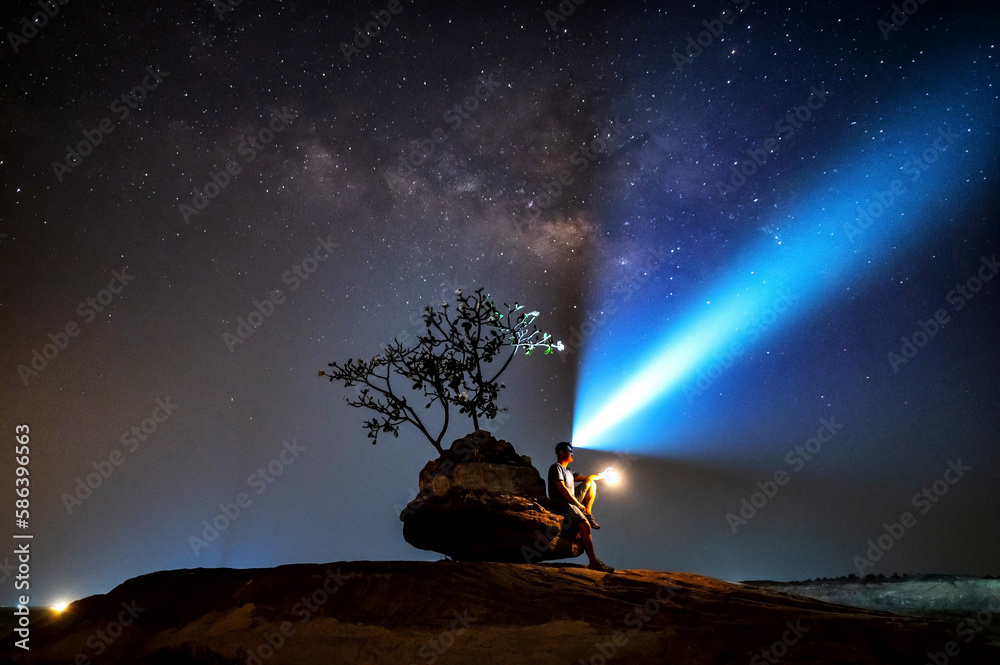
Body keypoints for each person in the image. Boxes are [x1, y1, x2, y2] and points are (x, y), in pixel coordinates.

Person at [547, 441, 614, 573]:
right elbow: (562, 489)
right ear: (561, 452)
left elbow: (588, 477)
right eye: (569, 451)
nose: (572, 453)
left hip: (571, 501)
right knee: (585, 526)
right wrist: (578, 504)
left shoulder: (569, 471)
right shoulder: (556, 468)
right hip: (561, 502)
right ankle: (594, 562)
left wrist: (603, 474)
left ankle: (588, 512)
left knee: (591, 482)